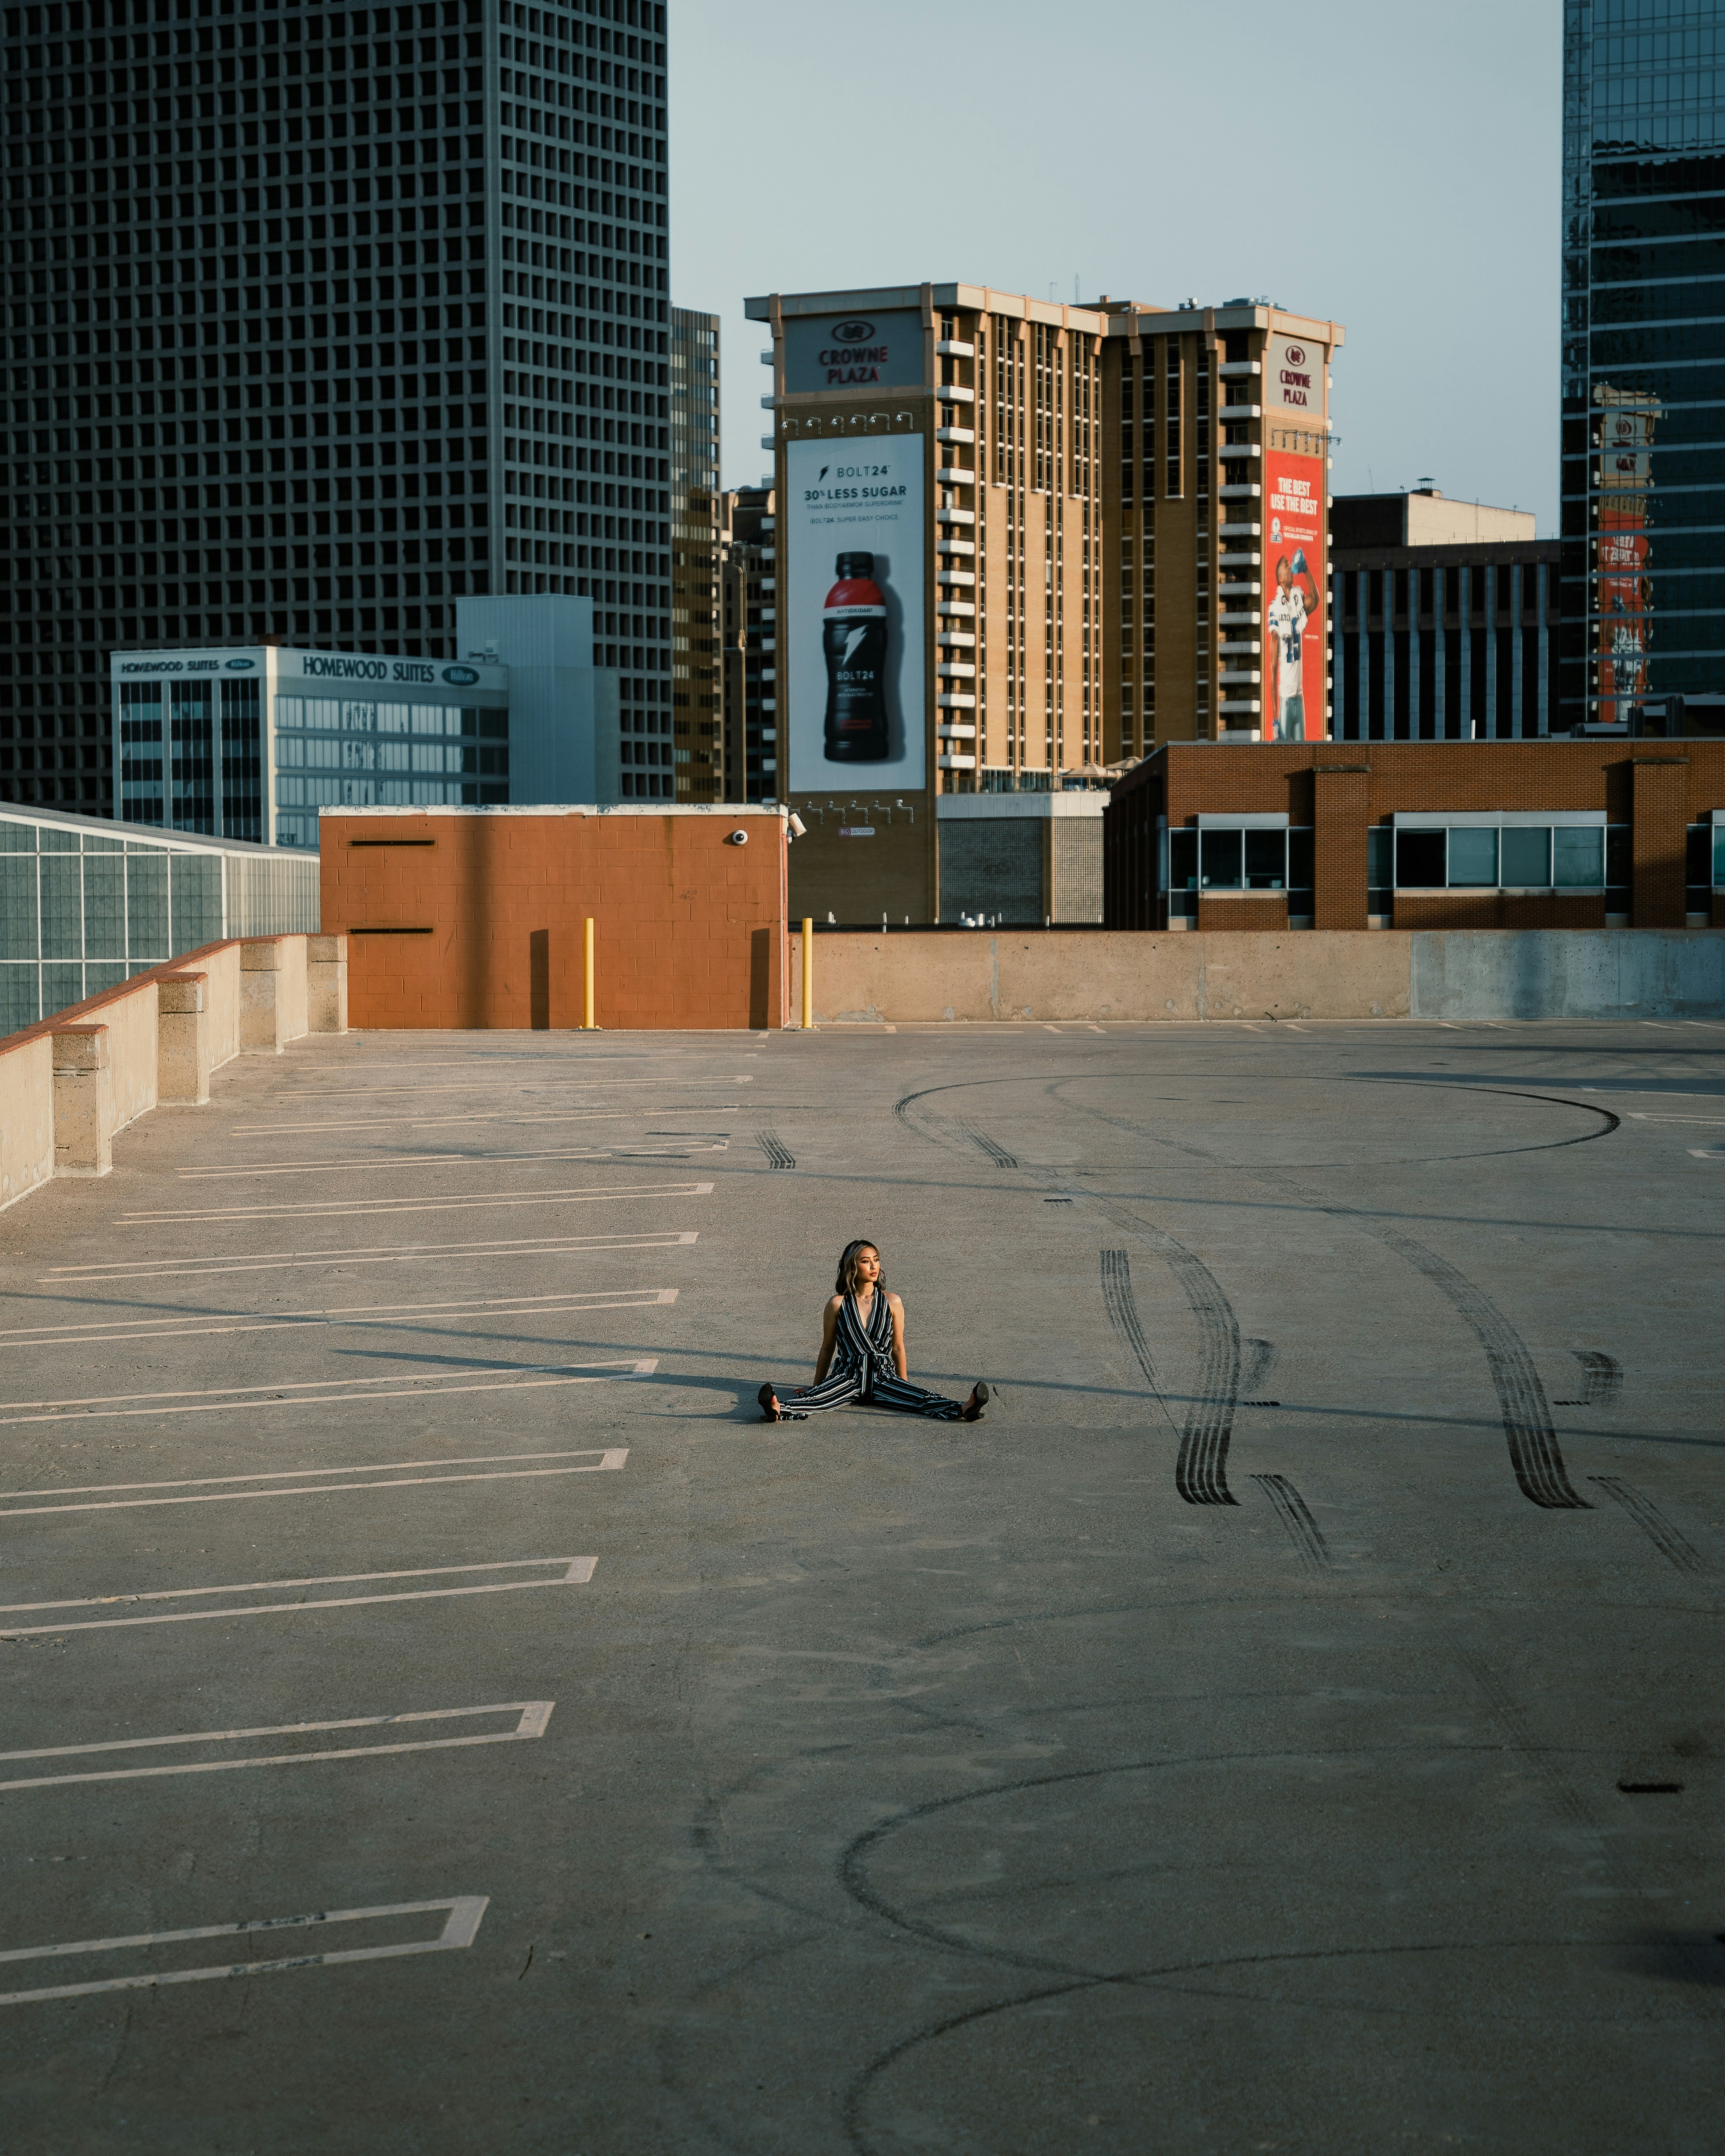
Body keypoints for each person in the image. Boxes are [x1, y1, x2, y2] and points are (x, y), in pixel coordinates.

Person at [757, 1240, 989, 1423]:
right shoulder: (837, 1304)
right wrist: (817, 1384)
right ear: (852, 1266)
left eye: (876, 1260)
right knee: (817, 1399)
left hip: (883, 1376)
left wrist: (904, 1386)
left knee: (922, 1398)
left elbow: (898, 1347)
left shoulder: (893, 1301)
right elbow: (828, 1347)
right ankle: (777, 1409)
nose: (873, 1266)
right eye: (866, 1261)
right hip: (848, 1376)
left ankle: (966, 1408)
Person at [1266, 549, 1321, 742]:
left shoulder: (1297, 599)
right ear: (1281, 578)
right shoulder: (1275, 609)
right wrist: (1274, 717)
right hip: (1287, 700)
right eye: (1287, 567)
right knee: (1284, 759)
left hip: (1300, 696)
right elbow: (1272, 669)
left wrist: (1306, 570)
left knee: (1302, 756)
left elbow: (1316, 600)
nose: (1291, 568)